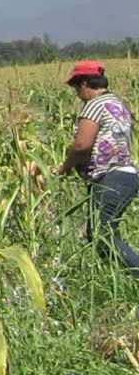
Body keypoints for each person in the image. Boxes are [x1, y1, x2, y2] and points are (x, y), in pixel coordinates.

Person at [56, 60, 139, 276]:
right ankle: (126, 283)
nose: (76, 93)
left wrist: (64, 167)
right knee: (104, 233)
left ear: (84, 83)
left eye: (76, 87)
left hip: (110, 177)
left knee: (102, 236)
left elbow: (82, 145)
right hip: (127, 175)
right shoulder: (117, 103)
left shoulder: (93, 106)